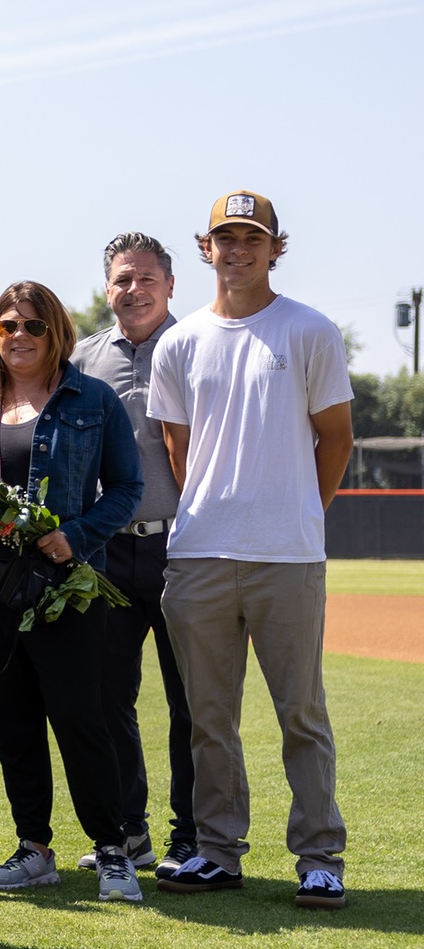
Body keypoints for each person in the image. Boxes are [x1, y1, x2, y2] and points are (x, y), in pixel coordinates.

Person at [150, 191, 353, 907]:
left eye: (251, 238)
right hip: (199, 550)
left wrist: (298, 509)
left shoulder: (309, 329)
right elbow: (179, 450)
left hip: (286, 556)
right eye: (224, 238)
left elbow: (336, 437)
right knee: (208, 716)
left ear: (274, 248)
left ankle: (318, 854)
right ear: (205, 248)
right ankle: (216, 850)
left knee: (300, 711)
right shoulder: (179, 343)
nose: (236, 250)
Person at [0, 282, 145, 902]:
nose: (18, 337)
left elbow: (126, 487)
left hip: (66, 585)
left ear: (56, 332)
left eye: (32, 327)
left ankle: (113, 850)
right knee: (11, 721)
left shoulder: (93, 399)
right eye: (6, 326)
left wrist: (76, 535)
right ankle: (34, 848)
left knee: (80, 718)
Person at [71, 232, 196, 879]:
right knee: (106, 696)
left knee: (191, 701)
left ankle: (190, 836)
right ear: (106, 287)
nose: (133, 289)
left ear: (169, 284)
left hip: (186, 545)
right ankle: (127, 829)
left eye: (146, 277)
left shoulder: (200, 345)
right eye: (122, 278)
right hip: (108, 549)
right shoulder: (84, 358)